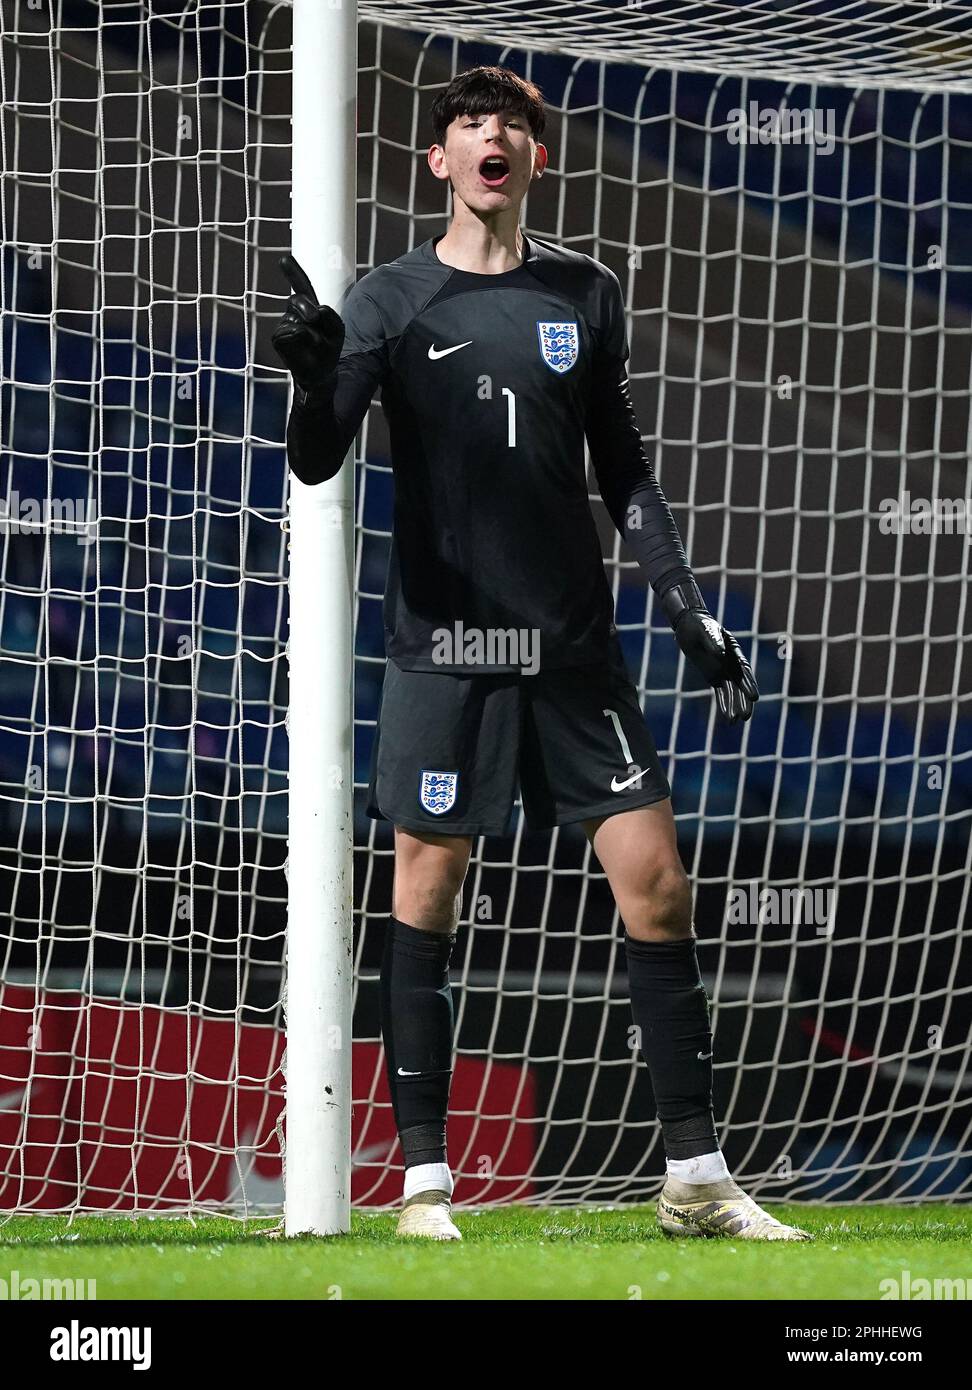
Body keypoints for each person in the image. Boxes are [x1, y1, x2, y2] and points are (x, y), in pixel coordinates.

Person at [273, 64, 809, 1243]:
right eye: (469, 124)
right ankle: (422, 1185)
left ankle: (697, 1178)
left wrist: (683, 606)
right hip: (447, 647)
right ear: (439, 160)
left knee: (659, 891)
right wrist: (313, 380)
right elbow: (317, 460)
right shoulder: (388, 298)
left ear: (534, 156)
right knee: (424, 893)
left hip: (573, 651)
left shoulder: (585, 291)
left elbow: (623, 471)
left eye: (511, 121)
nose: (491, 135)